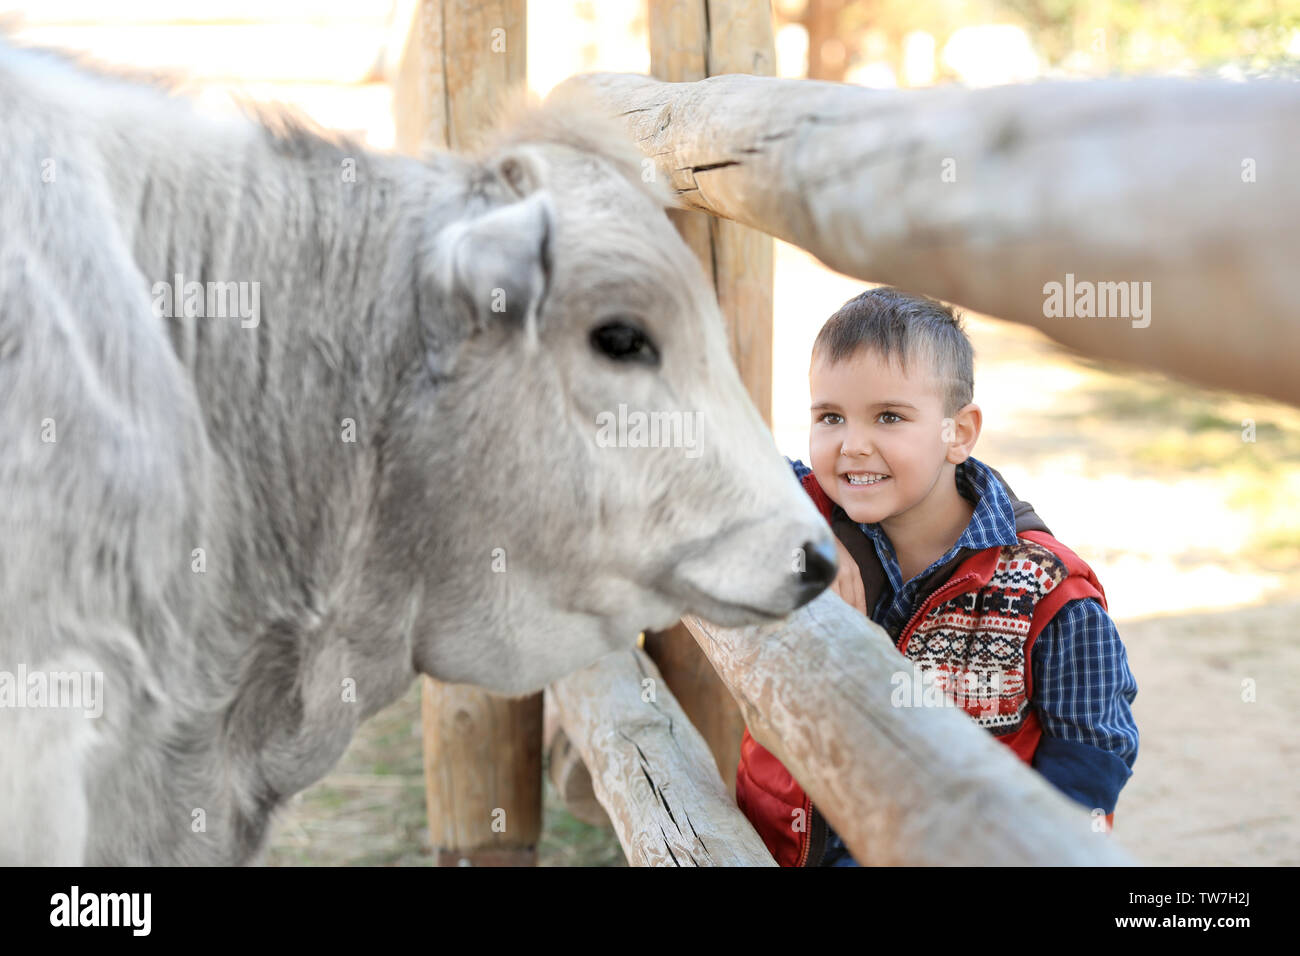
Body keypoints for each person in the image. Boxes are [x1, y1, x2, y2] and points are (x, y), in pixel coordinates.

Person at [736, 287, 1139, 866]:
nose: (852, 446)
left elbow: (1094, 746)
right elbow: (717, 469)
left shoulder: (1046, 590)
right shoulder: (803, 508)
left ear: (960, 433)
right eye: (830, 417)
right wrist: (800, 529)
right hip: (782, 847)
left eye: (889, 417)